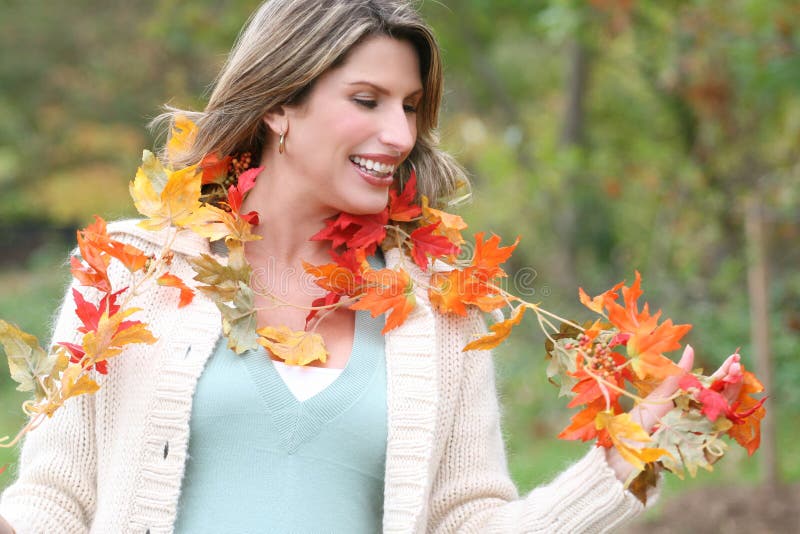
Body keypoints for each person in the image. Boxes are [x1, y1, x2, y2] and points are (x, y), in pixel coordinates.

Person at [0, 1, 743, 532]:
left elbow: (468, 521)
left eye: (411, 106)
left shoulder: (443, 309)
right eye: (368, 99)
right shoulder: (133, 271)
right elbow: (56, 498)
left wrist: (623, 465)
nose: (399, 133)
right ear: (279, 106)